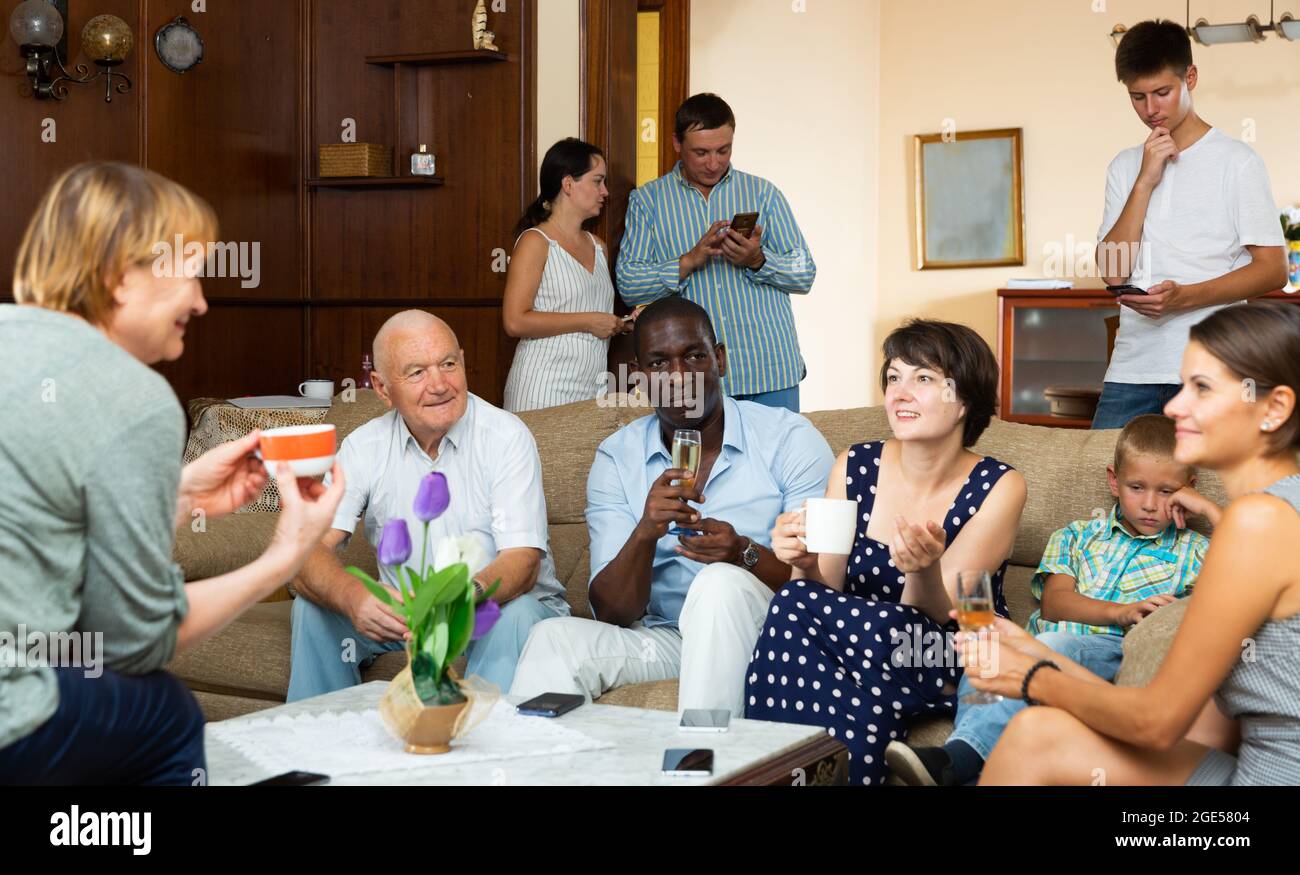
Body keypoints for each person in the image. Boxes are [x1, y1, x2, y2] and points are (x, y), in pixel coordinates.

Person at [0, 162, 345, 785]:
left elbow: (39, 513)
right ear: (118, 276)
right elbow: (131, 640)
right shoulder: (131, 394)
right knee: (165, 711)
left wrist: (177, 493)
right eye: (189, 274)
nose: (201, 299)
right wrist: (285, 554)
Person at [968, 303, 1300, 786]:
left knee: (1034, 735)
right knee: (1037, 735)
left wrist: (1028, 677)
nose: (1173, 406)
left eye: (1202, 388)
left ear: (1274, 408)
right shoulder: (1274, 508)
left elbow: (1155, 723)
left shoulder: (1257, 522)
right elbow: (1191, 724)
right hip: (1243, 764)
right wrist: (1033, 652)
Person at [509, 297, 833, 715]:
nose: (679, 378)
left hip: (771, 633)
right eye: (660, 364)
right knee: (552, 640)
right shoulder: (616, 458)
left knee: (719, 585)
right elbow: (612, 611)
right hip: (669, 638)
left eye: (694, 356)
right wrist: (646, 531)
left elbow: (825, 584)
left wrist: (742, 553)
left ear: (720, 360)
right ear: (641, 378)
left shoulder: (789, 439)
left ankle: (704, 766)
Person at [745, 319, 1028, 785]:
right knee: (794, 599)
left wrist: (924, 569)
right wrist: (802, 560)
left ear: (964, 402)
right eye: (894, 377)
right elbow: (823, 590)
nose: (900, 392)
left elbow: (951, 610)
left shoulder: (1000, 485)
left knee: (833, 618)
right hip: (858, 648)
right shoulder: (854, 465)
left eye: (923, 379)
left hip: (945, 647)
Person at [887, 414, 1211, 786]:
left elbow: (1256, 575)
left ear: (1190, 490)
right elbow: (1055, 603)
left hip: (1112, 653)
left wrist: (1207, 510)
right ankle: (963, 759)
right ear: (1113, 481)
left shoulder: (1196, 552)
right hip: (1040, 643)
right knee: (991, 643)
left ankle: (959, 759)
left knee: (1050, 644)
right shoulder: (1075, 536)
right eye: (1137, 487)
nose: (1151, 504)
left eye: (1167, 491)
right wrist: (1119, 611)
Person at [287, 311, 568, 699]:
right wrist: (352, 596)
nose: (439, 385)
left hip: (493, 607)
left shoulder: (505, 437)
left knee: (516, 616)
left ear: (464, 362)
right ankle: (317, 747)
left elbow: (522, 562)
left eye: (449, 364)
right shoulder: (363, 447)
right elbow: (304, 553)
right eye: (417, 372)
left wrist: (459, 598)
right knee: (313, 609)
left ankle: (486, 753)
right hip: (408, 616)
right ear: (382, 388)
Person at [1091, 19, 1287, 429]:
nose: (1151, 109)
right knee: (1103, 487)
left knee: (1216, 491)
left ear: (1191, 78)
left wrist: (1187, 298)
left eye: (1163, 93)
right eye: (1138, 97)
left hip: (1217, 367)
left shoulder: (1237, 161)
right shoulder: (1125, 166)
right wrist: (1145, 179)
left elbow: (1273, 268)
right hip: (1133, 369)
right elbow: (1112, 271)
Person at [615, 93, 815, 413]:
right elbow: (629, 284)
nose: (714, 163)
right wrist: (688, 262)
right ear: (676, 144)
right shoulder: (648, 202)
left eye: (724, 150)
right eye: (701, 152)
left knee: (780, 462)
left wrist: (757, 260)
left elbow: (805, 273)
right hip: (693, 376)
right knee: (699, 463)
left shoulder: (764, 193)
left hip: (770, 368)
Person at [503, 138, 630, 413]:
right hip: (543, 388)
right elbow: (514, 321)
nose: (605, 191)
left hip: (591, 390)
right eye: (598, 181)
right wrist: (589, 322)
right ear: (568, 184)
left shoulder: (598, 246)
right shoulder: (535, 242)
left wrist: (622, 323)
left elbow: (594, 315)